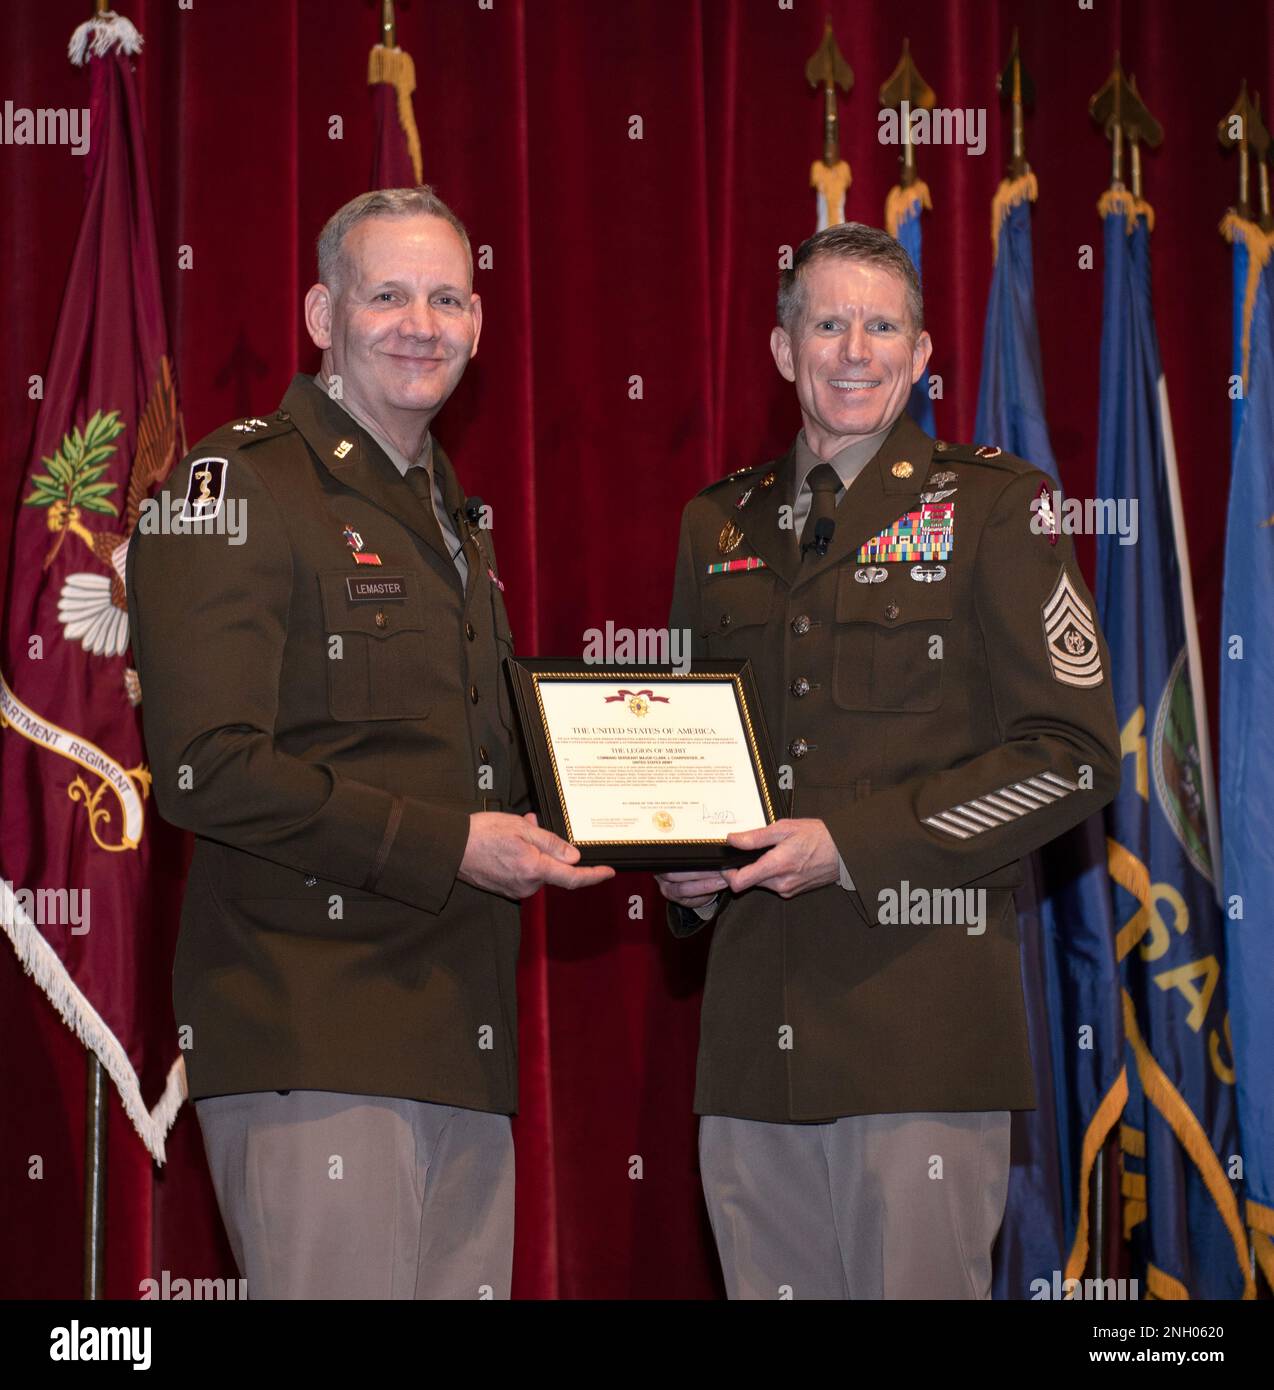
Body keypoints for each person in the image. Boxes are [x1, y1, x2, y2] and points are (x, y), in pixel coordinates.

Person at [127, 187, 612, 1300]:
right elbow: (207, 767)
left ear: (479, 324)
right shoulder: (234, 488)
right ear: (319, 312)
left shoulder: (450, 513)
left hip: (458, 1031)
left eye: (446, 298)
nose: (419, 323)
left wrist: (657, 833)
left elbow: (477, 756)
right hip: (316, 1032)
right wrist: (451, 847)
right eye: (386, 294)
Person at [656, 220, 1120, 1300]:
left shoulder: (996, 508)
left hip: (918, 1035)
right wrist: (674, 872)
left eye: (881, 326)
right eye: (826, 322)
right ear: (782, 350)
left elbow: (1072, 754)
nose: (852, 349)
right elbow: (680, 750)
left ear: (919, 356)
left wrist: (849, 844)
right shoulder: (713, 524)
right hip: (747, 1048)